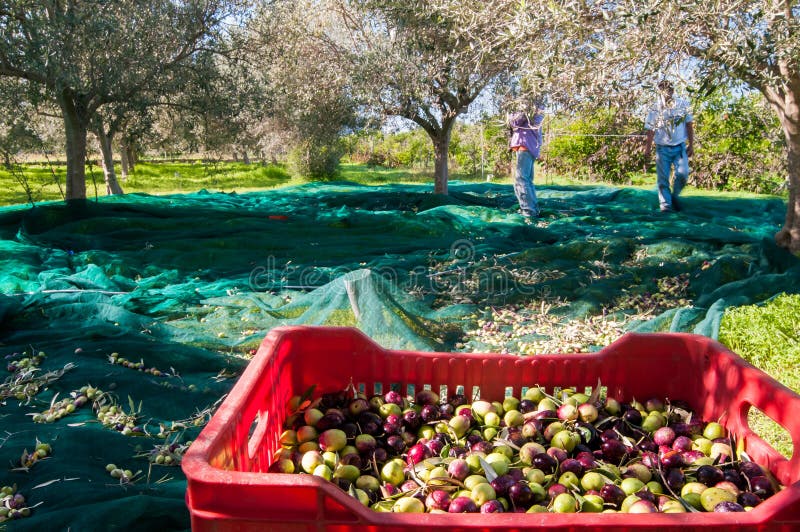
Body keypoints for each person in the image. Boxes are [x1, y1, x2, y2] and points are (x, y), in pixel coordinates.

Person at [644, 80, 694, 213]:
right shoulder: (655, 108)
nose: (666, 92)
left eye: (668, 89)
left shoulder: (682, 104)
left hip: (680, 147)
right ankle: (665, 206)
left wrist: (691, 145)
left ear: (672, 90)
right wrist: (647, 148)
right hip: (662, 148)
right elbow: (650, 130)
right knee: (663, 179)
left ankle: (675, 196)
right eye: (663, 90)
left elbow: (689, 125)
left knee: (683, 174)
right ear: (659, 91)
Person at [507, 103, 545, 221]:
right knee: (527, 180)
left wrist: (510, 115)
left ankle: (528, 211)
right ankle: (533, 208)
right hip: (530, 147)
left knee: (521, 179)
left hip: (525, 146)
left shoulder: (529, 109)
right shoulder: (539, 109)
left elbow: (515, 122)